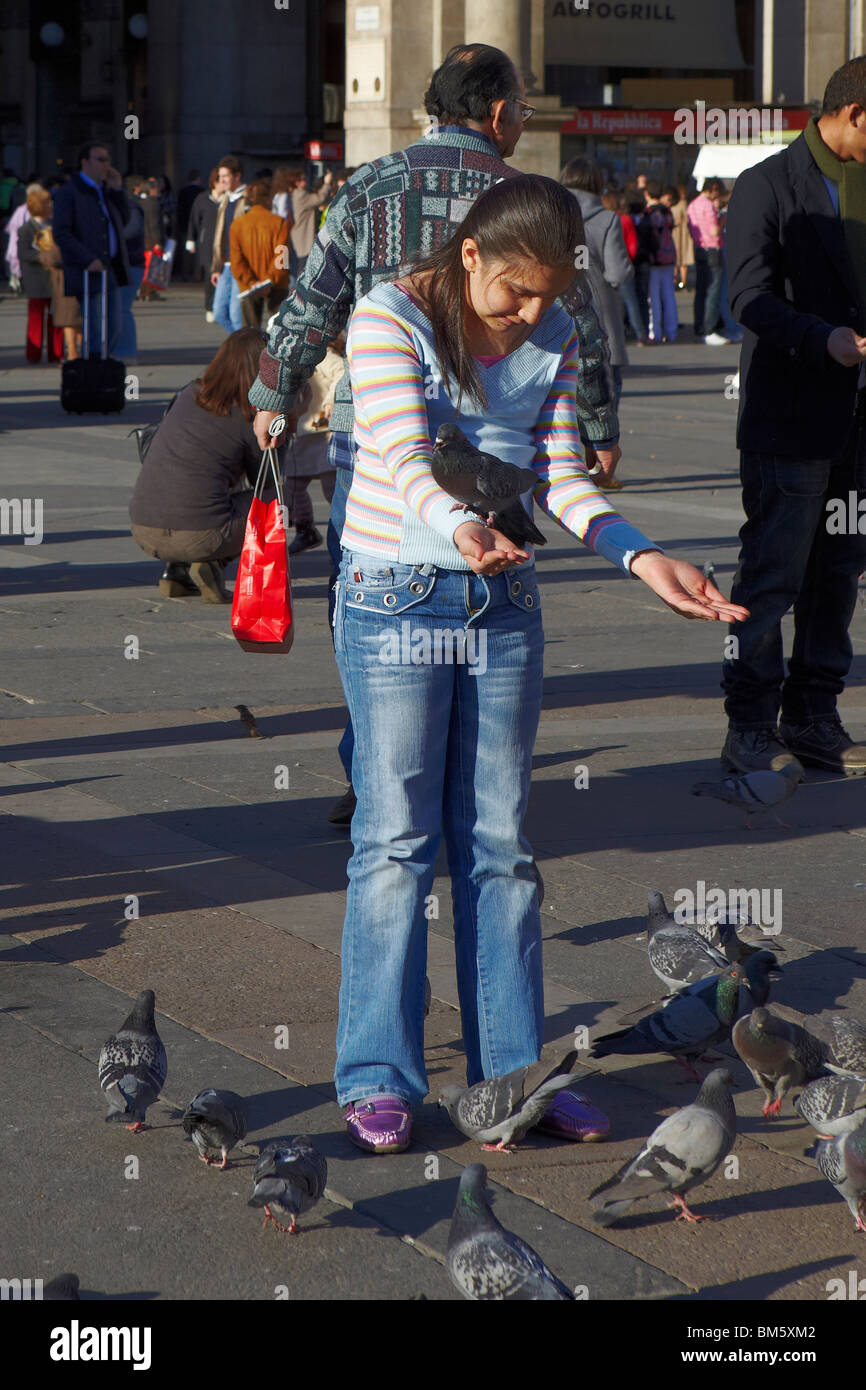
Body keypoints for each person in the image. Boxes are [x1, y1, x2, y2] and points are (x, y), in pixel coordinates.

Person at [329, 175, 746, 1153]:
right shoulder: (389, 317)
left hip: (503, 597)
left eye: (547, 295)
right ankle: (376, 1077)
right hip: (396, 593)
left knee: (502, 845)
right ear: (468, 255)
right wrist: (463, 526)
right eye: (512, 291)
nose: (526, 316)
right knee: (393, 842)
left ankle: (507, 1076)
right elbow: (398, 457)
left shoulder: (553, 329)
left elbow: (556, 473)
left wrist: (639, 554)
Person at [249, 43, 625, 833]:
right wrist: (598, 427)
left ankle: (379, 773)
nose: (520, 122)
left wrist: (273, 396)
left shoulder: (371, 183)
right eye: (521, 109)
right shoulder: (529, 195)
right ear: (497, 115)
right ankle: (463, 780)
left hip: (379, 438)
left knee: (368, 593)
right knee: (493, 589)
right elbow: (578, 327)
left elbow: (310, 307)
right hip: (501, 444)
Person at [721, 55, 866, 777]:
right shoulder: (768, 184)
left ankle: (814, 713)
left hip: (859, 423)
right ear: (855, 114)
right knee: (771, 576)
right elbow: (745, 297)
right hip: (792, 415)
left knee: (839, 572)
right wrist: (822, 338)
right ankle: (749, 720)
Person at [129, 329, 281, 602]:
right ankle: (211, 564)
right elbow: (266, 480)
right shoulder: (249, 414)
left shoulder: (190, 392)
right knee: (274, 502)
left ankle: (175, 572)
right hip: (200, 536)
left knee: (194, 489)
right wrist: (285, 424)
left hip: (143, 529)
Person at [560, 158, 632, 458]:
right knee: (604, 398)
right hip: (599, 319)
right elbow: (617, 273)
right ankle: (598, 463)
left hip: (557, 318)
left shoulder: (554, 217)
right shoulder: (607, 220)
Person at [52, 144, 129, 357]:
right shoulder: (70, 192)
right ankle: (94, 372)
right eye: (100, 159)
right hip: (88, 270)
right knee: (95, 329)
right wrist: (87, 258)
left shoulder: (104, 190)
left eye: (108, 160)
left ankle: (103, 368)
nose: (107, 165)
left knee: (114, 327)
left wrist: (117, 190)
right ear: (85, 162)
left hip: (110, 268)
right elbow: (61, 232)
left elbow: (123, 221)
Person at [283, 334, 344, 553]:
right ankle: (305, 528)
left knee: (331, 488)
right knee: (292, 487)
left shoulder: (324, 355)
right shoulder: (294, 356)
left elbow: (342, 372)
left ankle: (344, 531)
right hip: (302, 430)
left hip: (322, 430)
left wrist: (330, 401)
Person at [229, 179, 290, 328]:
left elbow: (236, 261)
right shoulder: (279, 223)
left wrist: (251, 282)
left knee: (250, 333)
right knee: (280, 330)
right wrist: (269, 280)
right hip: (276, 285)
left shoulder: (237, 224)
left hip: (248, 287)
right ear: (268, 198)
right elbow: (282, 259)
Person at [17, 186, 63, 363]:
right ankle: (33, 353)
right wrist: (42, 257)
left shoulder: (55, 225)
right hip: (35, 279)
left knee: (55, 317)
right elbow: (23, 253)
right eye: (47, 202)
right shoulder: (26, 229)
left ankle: (56, 352)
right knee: (36, 319)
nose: (51, 205)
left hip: (54, 279)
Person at [688, 177, 730, 345]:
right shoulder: (709, 206)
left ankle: (700, 326)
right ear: (713, 189)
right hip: (713, 249)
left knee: (701, 290)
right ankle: (709, 329)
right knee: (713, 291)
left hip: (699, 248)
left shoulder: (693, 204)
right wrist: (723, 220)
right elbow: (714, 231)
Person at [210, 157, 249, 333]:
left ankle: (245, 352)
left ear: (237, 176)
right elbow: (220, 236)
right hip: (225, 265)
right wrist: (216, 267)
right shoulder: (224, 200)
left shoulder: (247, 200)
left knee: (236, 315)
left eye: (225, 176)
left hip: (241, 264)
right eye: (220, 176)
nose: (222, 180)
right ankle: (242, 346)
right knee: (218, 313)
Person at [36, 222, 81, 362]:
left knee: (70, 321)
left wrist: (42, 254)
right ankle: (80, 353)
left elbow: (52, 258)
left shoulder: (58, 234)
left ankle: (73, 353)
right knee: (77, 321)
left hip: (65, 282)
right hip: (73, 279)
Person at [642, 180, 678, 344]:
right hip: (669, 257)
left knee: (653, 297)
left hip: (654, 259)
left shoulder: (649, 213)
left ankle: (655, 332)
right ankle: (671, 331)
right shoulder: (667, 212)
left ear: (647, 194)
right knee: (669, 295)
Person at [116, 176, 145, 360]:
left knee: (122, 308)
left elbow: (133, 230)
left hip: (131, 263)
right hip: (123, 263)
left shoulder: (131, 207)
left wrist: (113, 238)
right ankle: (121, 349)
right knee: (119, 308)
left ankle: (126, 351)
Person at [188, 167, 221, 320]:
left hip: (224, 241)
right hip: (207, 241)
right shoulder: (202, 199)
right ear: (215, 182)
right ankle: (209, 307)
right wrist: (190, 239)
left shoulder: (229, 199)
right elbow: (194, 221)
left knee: (223, 274)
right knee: (209, 273)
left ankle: (221, 305)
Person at [288, 167, 333, 277]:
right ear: (296, 182)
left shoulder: (293, 195)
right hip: (303, 242)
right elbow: (320, 198)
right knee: (302, 273)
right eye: (302, 179)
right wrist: (327, 183)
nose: (305, 180)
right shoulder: (300, 195)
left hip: (296, 241)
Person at [666, 183, 693, 290]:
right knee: (682, 260)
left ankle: (675, 280)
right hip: (681, 233)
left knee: (676, 259)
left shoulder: (672, 204)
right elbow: (686, 218)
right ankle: (682, 282)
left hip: (675, 232)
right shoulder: (682, 203)